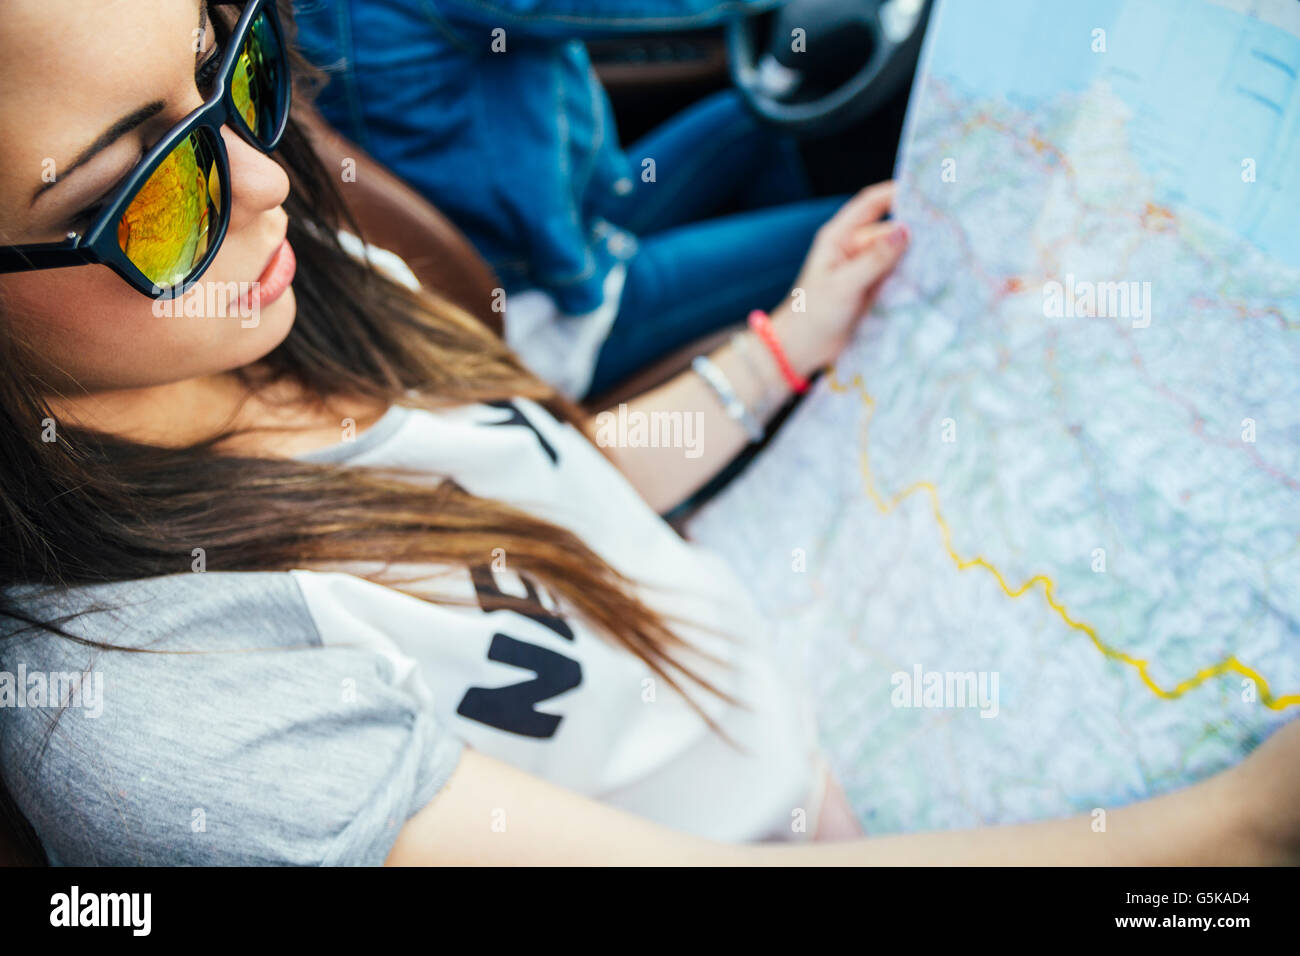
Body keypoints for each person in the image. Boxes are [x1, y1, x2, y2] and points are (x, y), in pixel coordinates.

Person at [0, 0, 1297, 866]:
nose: (270, 179)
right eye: (148, 189)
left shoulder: (291, 288)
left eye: (236, 73)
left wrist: (778, 350)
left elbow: (510, 507)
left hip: (801, 690)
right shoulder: (157, 720)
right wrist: (1232, 831)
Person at [292, 0, 849, 398]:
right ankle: (805, 348)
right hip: (548, 305)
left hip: (558, 226)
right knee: (862, 234)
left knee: (759, 122)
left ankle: (799, 368)